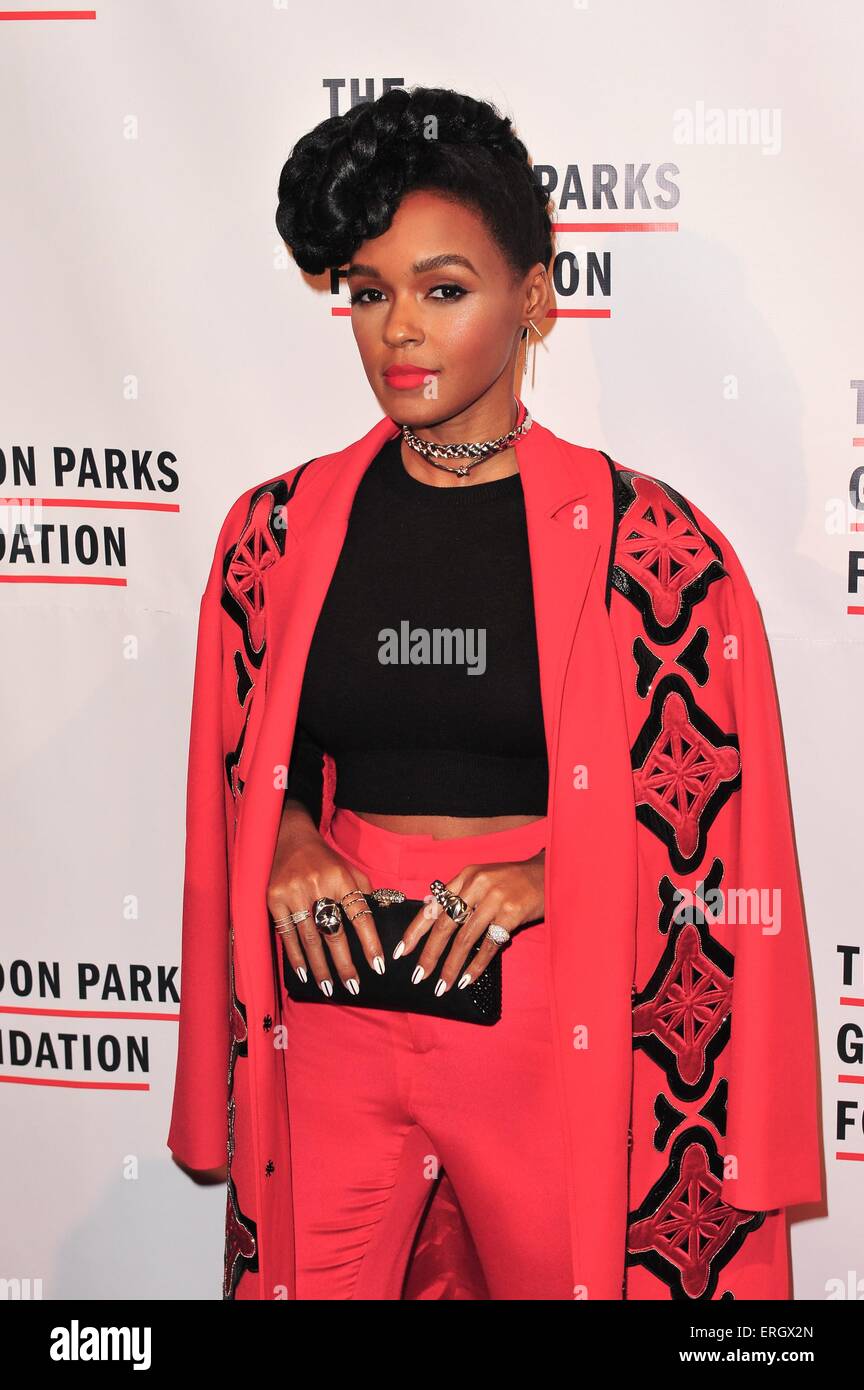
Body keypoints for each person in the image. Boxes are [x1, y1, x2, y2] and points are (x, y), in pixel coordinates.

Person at [167, 85, 823, 1301]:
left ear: (534, 300)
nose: (399, 331)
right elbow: (248, 769)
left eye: (443, 288)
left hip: (553, 1012)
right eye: (369, 293)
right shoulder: (272, 532)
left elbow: (723, 843)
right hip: (334, 1015)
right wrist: (294, 839)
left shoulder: (658, 554)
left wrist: (555, 874)